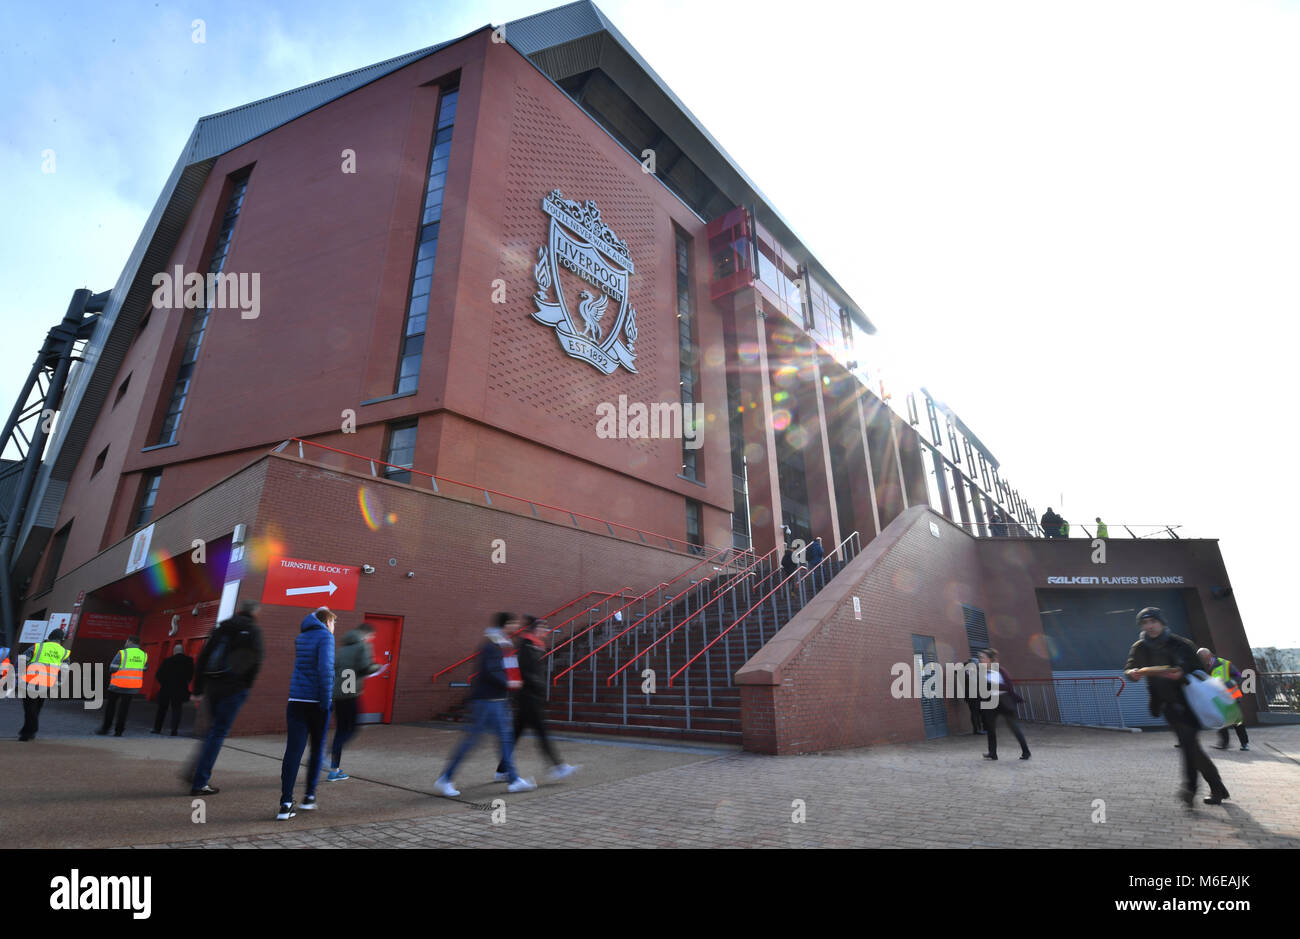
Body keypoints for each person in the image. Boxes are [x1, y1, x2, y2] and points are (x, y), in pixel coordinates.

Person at [1124, 608, 1230, 807]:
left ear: (1162, 623)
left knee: (1188, 744)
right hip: (1167, 705)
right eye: (1145, 623)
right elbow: (1129, 667)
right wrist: (1132, 673)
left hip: (1190, 702)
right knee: (1191, 747)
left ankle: (1190, 789)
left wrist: (1180, 673)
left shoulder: (1181, 644)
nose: (1150, 626)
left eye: (1153, 621)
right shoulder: (1139, 647)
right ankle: (1217, 787)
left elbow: (1199, 669)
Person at [433, 613, 537, 797]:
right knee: (472, 741)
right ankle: (445, 778)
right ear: (505, 624)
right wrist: (508, 682)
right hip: (487, 701)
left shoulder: (502, 643)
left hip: (497, 700)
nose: (515, 626)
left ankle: (514, 780)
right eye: (513, 623)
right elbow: (491, 670)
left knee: (505, 739)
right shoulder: (492, 645)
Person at [189, 601, 264, 796]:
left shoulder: (221, 629)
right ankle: (200, 781)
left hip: (214, 686)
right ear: (254, 613)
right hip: (234, 688)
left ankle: (195, 772)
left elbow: (203, 658)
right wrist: (245, 685)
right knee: (217, 733)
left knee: (212, 731)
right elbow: (255, 661)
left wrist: (198, 687)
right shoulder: (253, 631)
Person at [495, 616, 579, 782]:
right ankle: (558, 766)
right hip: (528, 696)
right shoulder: (527, 646)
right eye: (543, 628)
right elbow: (526, 672)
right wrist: (539, 685)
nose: (546, 631)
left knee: (515, 735)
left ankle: (501, 770)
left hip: (529, 696)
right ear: (535, 629)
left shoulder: (534, 646)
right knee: (541, 732)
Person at [278, 607, 337, 820]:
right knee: (317, 748)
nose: (334, 627)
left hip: (296, 700)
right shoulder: (325, 638)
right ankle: (309, 796)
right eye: (333, 623)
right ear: (327, 621)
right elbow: (325, 669)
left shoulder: (301, 637)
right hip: (316, 702)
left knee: (293, 751)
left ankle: (285, 802)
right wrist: (326, 700)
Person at [326, 622, 388, 781]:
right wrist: (378, 667)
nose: (371, 639)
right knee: (353, 728)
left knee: (341, 729)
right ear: (366, 633)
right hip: (351, 690)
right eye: (371, 636)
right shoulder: (362, 646)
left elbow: (335, 668)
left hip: (339, 691)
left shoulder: (342, 648)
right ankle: (327, 755)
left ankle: (334, 770)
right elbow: (364, 667)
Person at [17, 628, 70, 741]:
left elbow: (22, 660)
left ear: (49, 637)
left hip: (31, 682)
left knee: (30, 708)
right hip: (48, 684)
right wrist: (58, 684)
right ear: (61, 640)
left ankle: (29, 732)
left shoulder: (37, 647)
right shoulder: (64, 652)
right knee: (36, 708)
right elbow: (65, 670)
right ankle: (29, 730)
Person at [978, 649, 1030, 760]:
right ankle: (993, 753)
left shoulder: (1000, 670)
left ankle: (1026, 751)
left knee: (1014, 727)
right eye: (980, 657)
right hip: (990, 701)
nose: (980, 659)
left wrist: (991, 685)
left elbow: (1008, 687)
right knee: (990, 728)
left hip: (1003, 701)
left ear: (989, 659)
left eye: (983, 657)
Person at [1198, 647, 1249, 751]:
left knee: (1237, 721)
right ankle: (1224, 743)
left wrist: (1227, 684)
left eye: (1202, 657)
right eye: (1200, 658)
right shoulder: (1203, 667)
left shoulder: (1224, 663)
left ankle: (1244, 743)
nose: (1202, 659)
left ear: (1209, 655)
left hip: (1231, 695)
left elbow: (1238, 676)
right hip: (1217, 698)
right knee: (1220, 721)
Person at [97, 636, 148, 736]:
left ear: (129, 642)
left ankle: (105, 729)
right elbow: (145, 668)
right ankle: (119, 731)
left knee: (111, 707)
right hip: (132, 687)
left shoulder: (123, 653)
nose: (126, 643)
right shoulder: (144, 655)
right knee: (124, 709)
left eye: (127, 641)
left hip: (117, 685)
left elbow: (113, 667)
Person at [152, 643, 194, 736]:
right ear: (183, 651)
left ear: (174, 651)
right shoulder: (189, 661)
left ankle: (157, 729)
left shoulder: (167, 661)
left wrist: (163, 683)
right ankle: (174, 730)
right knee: (177, 710)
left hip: (166, 689)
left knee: (162, 709)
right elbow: (190, 675)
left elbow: (158, 675)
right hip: (180, 689)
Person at [961, 658, 985, 735]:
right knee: (975, 712)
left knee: (977, 712)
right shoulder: (967, 671)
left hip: (976, 695)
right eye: (976, 663)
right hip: (972, 695)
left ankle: (979, 729)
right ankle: (977, 729)